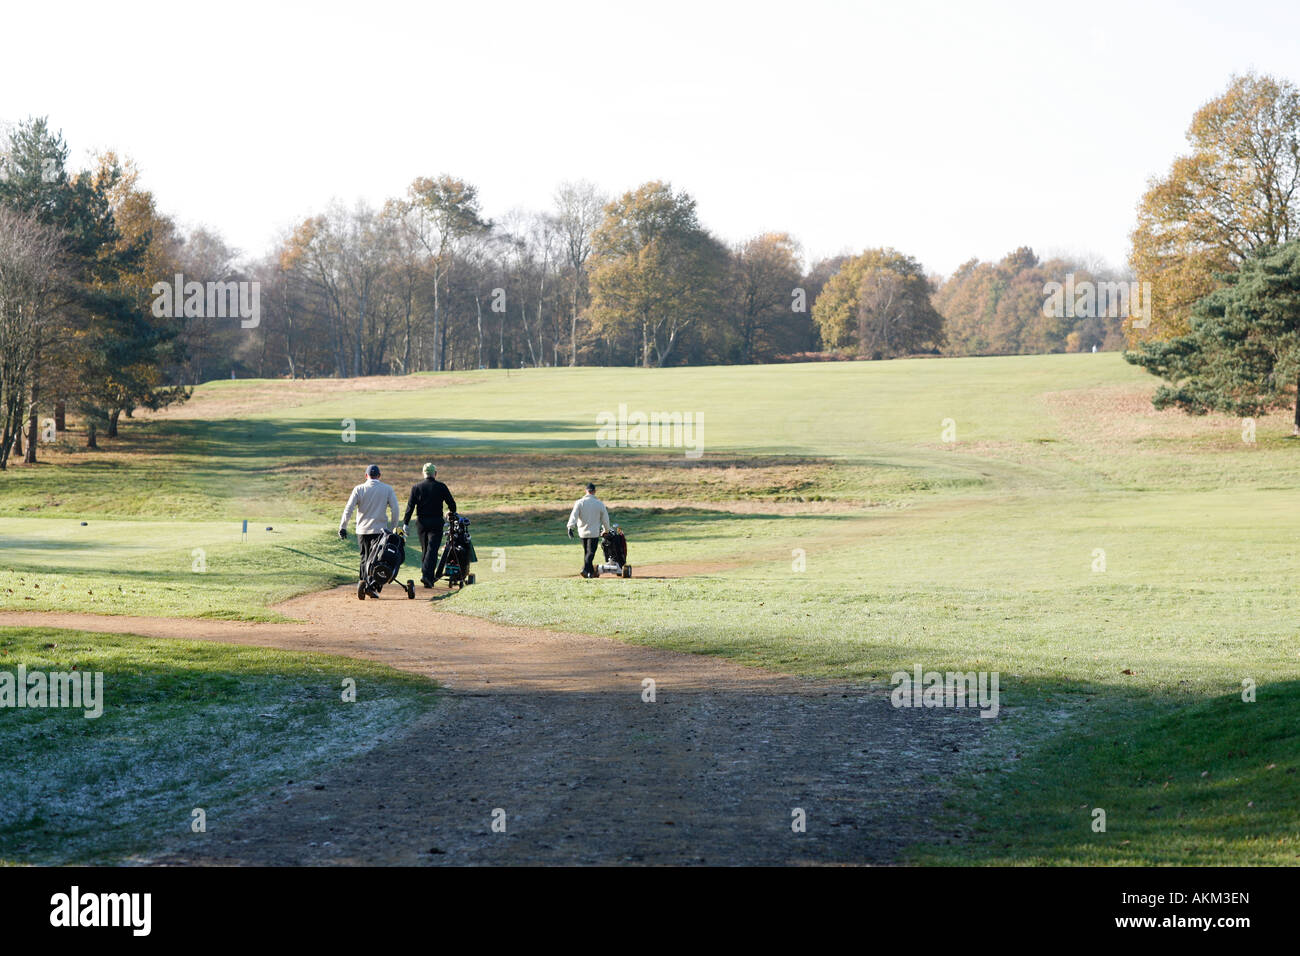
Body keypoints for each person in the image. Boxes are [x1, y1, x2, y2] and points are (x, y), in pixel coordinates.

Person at [339, 464, 401, 584]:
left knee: (364, 558)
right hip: (380, 531)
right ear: (379, 476)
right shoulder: (387, 489)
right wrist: (393, 527)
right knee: (378, 559)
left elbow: (349, 509)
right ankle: (374, 585)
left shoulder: (359, 489)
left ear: (366, 475)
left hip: (363, 530)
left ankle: (362, 584)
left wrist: (343, 527)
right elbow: (395, 509)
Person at [403, 462, 457, 587]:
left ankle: (427, 577)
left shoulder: (416, 487)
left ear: (423, 473)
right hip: (436, 522)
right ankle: (427, 576)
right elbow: (452, 504)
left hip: (421, 523)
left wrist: (405, 523)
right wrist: (450, 512)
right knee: (432, 549)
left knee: (425, 549)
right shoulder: (441, 486)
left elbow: (410, 507)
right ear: (435, 474)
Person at [566, 482, 613, 578]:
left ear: (586, 491)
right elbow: (605, 519)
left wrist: (570, 527)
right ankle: (585, 569)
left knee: (587, 553)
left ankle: (590, 573)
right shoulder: (599, 504)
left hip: (582, 532)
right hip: (594, 532)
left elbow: (573, 515)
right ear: (595, 491)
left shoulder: (579, 502)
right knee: (591, 553)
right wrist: (606, 530)